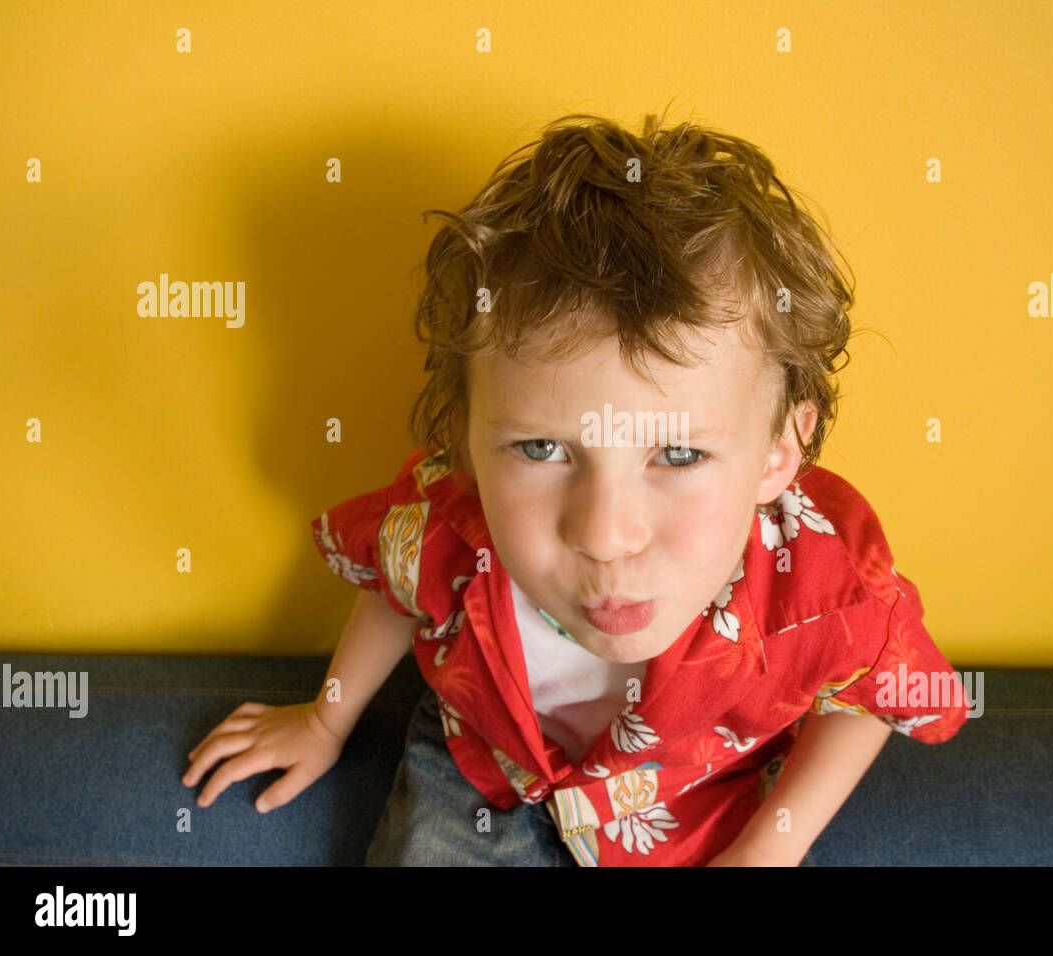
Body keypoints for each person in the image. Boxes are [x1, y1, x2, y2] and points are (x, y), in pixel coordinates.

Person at [182, 108, 970, 866]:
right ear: (463, 440)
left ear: (777, 451)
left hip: (686, 801)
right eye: (541, 448)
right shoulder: (448, 521)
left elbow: (869, 692)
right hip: (484, 756)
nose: (603, 533)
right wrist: (327, 719)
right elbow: (397, 582)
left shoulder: (826, 592)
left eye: (681, 456)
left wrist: (770, 847)